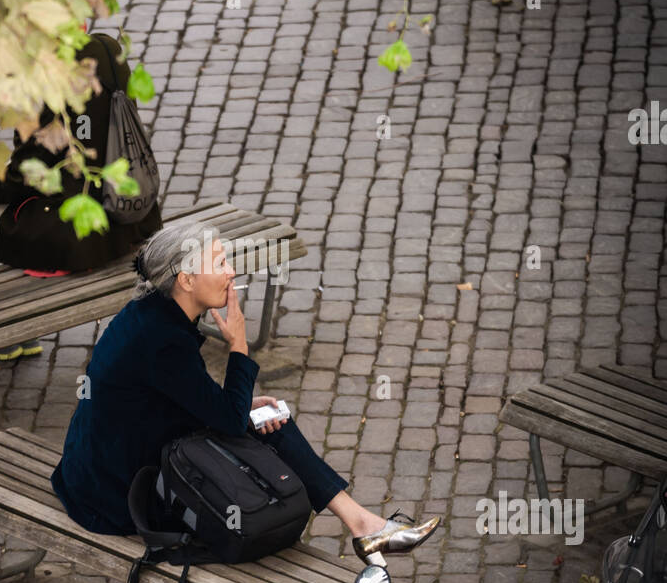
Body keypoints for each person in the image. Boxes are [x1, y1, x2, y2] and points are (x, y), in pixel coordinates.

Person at [51, 221, 440, 553]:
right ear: (186, 280)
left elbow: (169, 397)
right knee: (264, 426)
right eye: (220, 263)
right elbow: (227, 420)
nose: (232, 272)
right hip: (116, 497)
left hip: (89, 472)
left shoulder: (151, 313)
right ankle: (361, 526)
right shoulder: (163, 341)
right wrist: (238, 345)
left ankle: (362, 524)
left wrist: (239, 405)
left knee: (263, 417)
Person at [0, 31, 162, 362]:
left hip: (73, 238)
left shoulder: (54, 77)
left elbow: (29, 170)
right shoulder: (107, 48)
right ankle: (6, 329)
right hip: (125, 224)